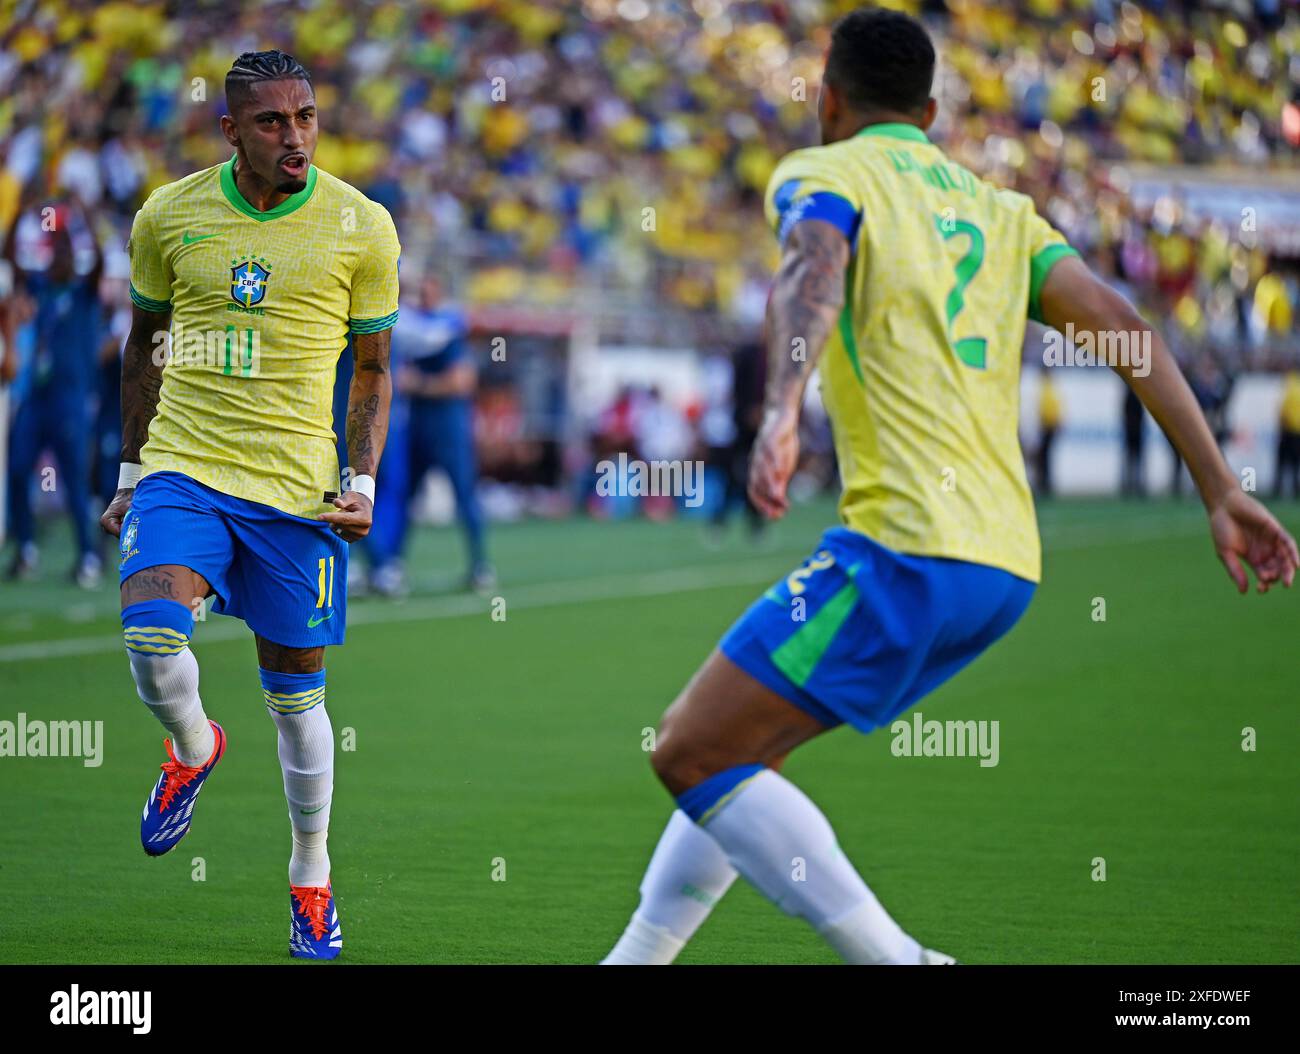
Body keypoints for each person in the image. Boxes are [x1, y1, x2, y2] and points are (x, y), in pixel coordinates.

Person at [602, 8, 1297, 966]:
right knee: (741, 752)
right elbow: (1123, 323)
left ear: (827, 99)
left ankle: (901, 963)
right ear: (929, 111)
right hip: (1004, 569)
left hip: (904, 548)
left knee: (689, 749)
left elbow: (811, 266)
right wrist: (1219, 485)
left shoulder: (825, 173)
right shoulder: (1004, 213)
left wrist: (780, 410)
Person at [97, 51, 401, 960]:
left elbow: (375, 369)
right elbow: (144, 342)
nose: (296, 136)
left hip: (297, 492)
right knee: (151, 636)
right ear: (231, 131)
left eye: (306, 116)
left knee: (297, 698)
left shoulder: (362, 226)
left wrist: (364, 482)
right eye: (272, 122)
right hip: (184, 466)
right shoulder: (171, 214)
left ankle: (312, 873)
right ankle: (193, 745)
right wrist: (127, 473)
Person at [368, 274, 491, 593]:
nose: (424, 297)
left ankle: (480, 565)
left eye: (430, 291)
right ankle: (392, 564)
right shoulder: (417, 331)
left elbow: (461, 381)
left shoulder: (448, 330)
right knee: (405, 497)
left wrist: (420, 384)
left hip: (449, 431)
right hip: (419, 430)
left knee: (464, 497)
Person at [4, 207, 104, 587]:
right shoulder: (41, 288)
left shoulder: (83, 292)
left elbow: (94, 263)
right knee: (17, 469)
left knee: (76, 481)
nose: (59, 259)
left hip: (71, 402)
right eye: (55, 253)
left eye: (65, 253)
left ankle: (87, 556)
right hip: (37, 397)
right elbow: (12, 258)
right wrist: (19, 213)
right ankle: (26, 548)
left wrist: (84, 220)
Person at [1274, 370, 1300, 499]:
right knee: (1295, 464)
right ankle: (1295, 491)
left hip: (1288, 432)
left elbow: (1283, 412)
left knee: (1282, 463)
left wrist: (1282, 426)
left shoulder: (1290, 388)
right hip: (1297, 432)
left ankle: (1278, 490)